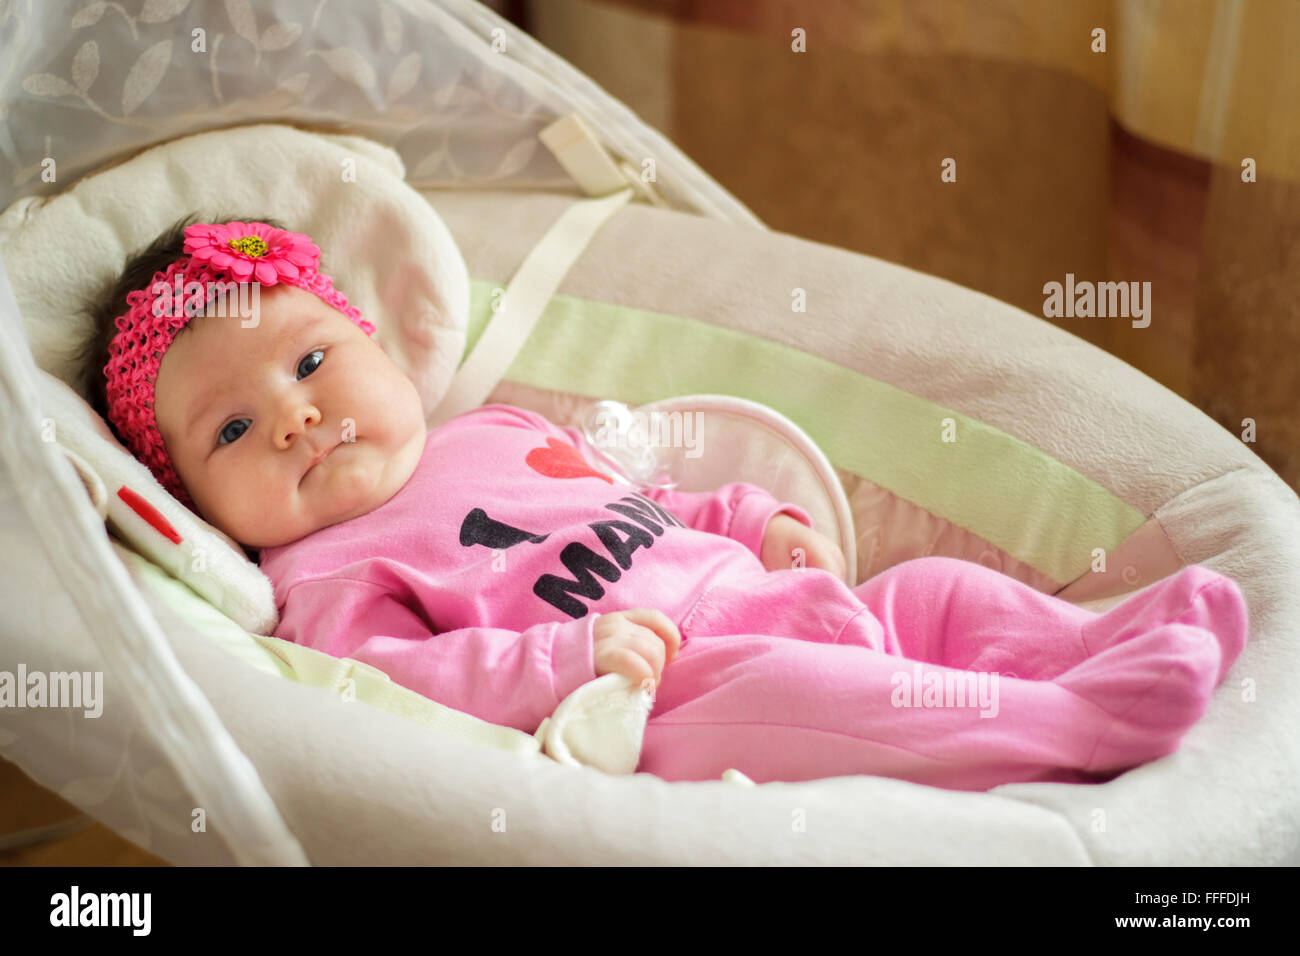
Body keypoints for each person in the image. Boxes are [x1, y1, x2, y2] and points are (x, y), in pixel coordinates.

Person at [85, 215, 1249, 791]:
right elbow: (401, 685)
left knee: (930, 593)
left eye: (310, 361)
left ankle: (1093, 638)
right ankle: (1075, 726)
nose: (292, 416)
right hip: (672, 692)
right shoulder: (320, 579)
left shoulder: (493, 430)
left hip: (766, 594)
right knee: (836, 697)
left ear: (382, 348)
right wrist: (564, 658)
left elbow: (647, 494)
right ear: (194, 497)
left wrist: (752, 520)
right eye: (233, 429)